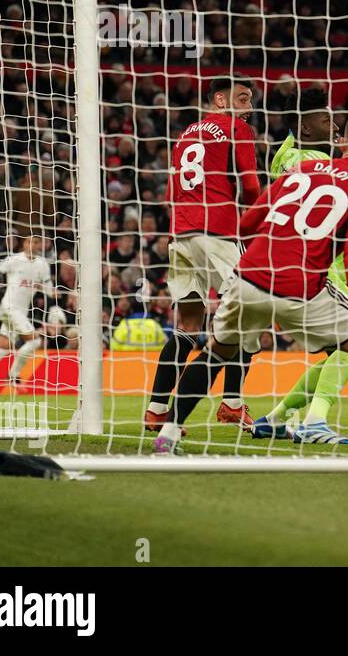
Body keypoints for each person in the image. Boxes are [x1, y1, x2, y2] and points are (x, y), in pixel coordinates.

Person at [154, 113, 348, 456]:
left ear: (340, 143)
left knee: (216, 353)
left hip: (248, 277)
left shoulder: (298, 171)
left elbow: (248, 222)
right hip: (299, 287)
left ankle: (168, 434)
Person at [251, 87, 348, 443]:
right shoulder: (321, 166)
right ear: (305, 129)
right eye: (324, 118)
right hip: (322, 271)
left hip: (282, 268)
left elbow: (296, 129)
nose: (333, 122)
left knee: (340, 350)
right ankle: (315, 421)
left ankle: (276, 418)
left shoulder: (286, 154)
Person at [144, 76, 261, 433]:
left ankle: (156, 409)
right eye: (243, 99)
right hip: (218, 233)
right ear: (221, 101)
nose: (249, 107)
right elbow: (251, 185)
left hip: (181, 236)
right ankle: (232, 403)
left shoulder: (184, 136)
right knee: (251, 315)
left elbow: (170, 192)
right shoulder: (234, 130)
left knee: (187, 327)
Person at [0, 235, 62, 388]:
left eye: (37, 242)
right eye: (30, 241)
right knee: (35, 340)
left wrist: (54, 293)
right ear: (24, 243)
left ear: (41, 245)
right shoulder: (14, 260)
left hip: (20, 314)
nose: (33, 245)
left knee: (2, 347)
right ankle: (13, 376)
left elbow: (48, 289)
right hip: (9, 308)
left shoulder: (43, 265)